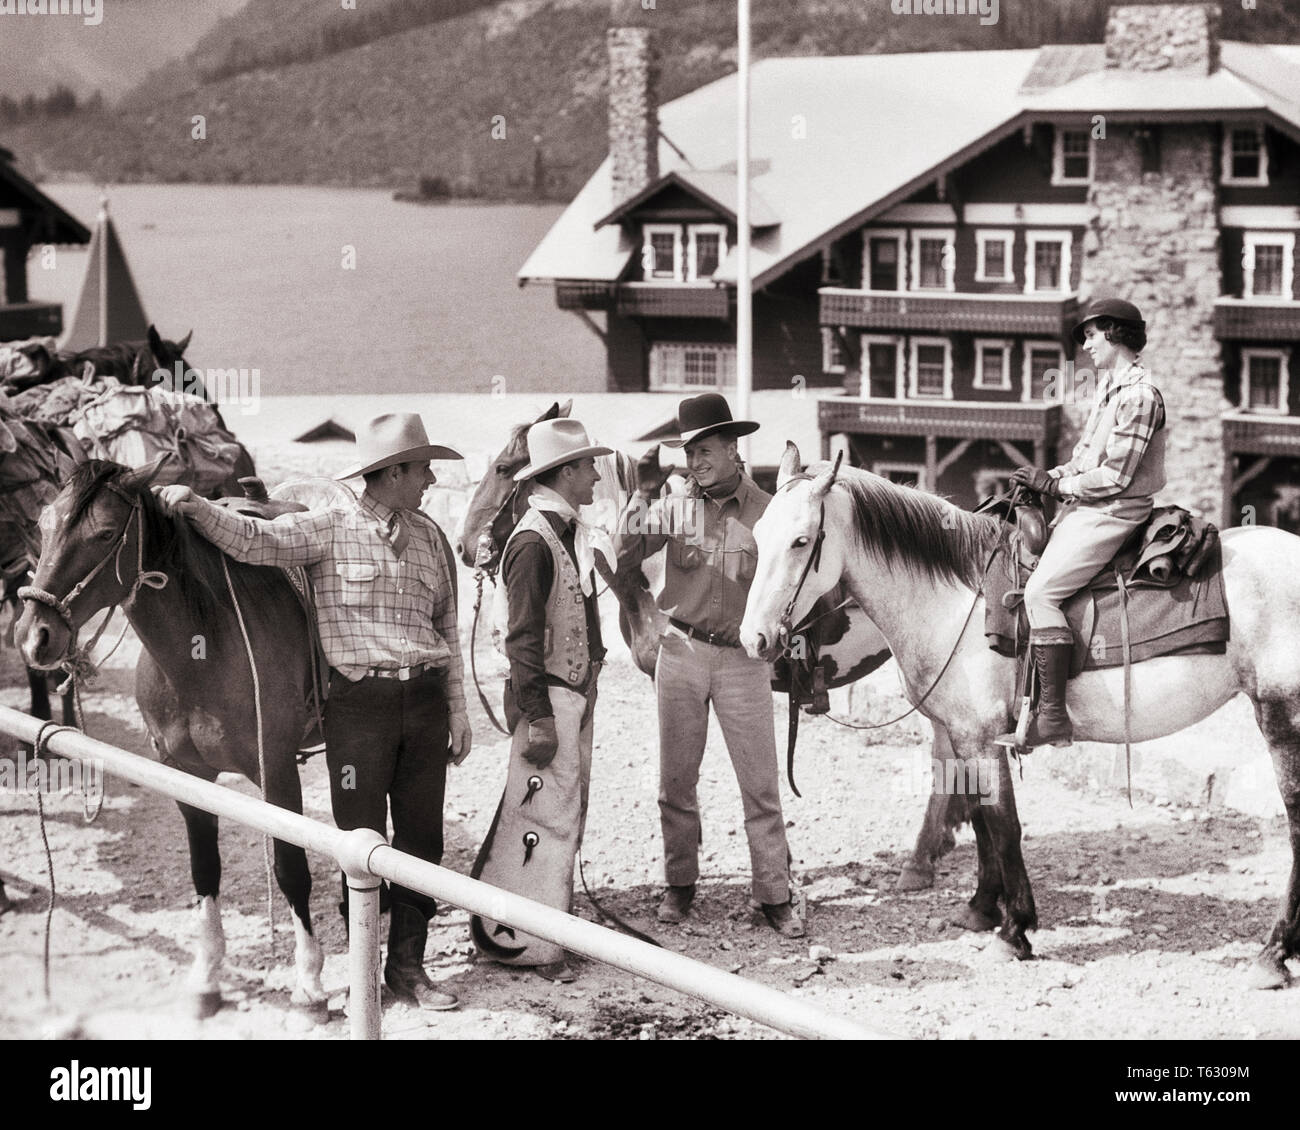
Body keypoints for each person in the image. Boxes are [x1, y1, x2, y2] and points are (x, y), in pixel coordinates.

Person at [156, 412, 472, 1010]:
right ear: (393, 472)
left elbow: (448, 629)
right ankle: (362, 967)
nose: (431, 477)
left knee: (423, 839)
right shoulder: (326, 529)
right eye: (424, 467)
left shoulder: (429, 536)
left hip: (426, 701)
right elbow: (254, 540)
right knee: (360, 840)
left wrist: (457, 710)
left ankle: (408, 966)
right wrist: (198, 507)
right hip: (359, 709)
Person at [614, 393, 803, 937]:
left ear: (732, 448)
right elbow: (624, 555)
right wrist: (636, 509)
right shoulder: (673, 507)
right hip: (681, 653)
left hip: (744, 662)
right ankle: (680, 887)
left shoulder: (769, 512)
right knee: (676, 781)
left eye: (703, 451)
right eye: (687, 452)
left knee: (760, 786)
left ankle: (773, 894)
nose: (693, 462)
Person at [470, 418, 610, 983]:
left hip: (570, 696)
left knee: (556, 816)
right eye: (589, 465)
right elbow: (520, 638)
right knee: (538, 822)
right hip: (551, 700)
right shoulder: (533, 541)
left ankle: (545, 933)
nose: (597, 474)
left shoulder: (560, 532)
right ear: (567, 472)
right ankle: (526, 946)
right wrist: (539, 716)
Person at [1009, 297, 1166, 747]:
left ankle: (1054, 718)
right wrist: (1046, 480)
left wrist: (1057, 489)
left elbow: (1116, 476)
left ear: (1116, 334)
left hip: (1116, 511)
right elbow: (1083, 460)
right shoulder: (1110, 389)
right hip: (1089, 505)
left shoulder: (1139, 395)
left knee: (1041, 592)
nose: (1087, 345)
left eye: (1092, 335)